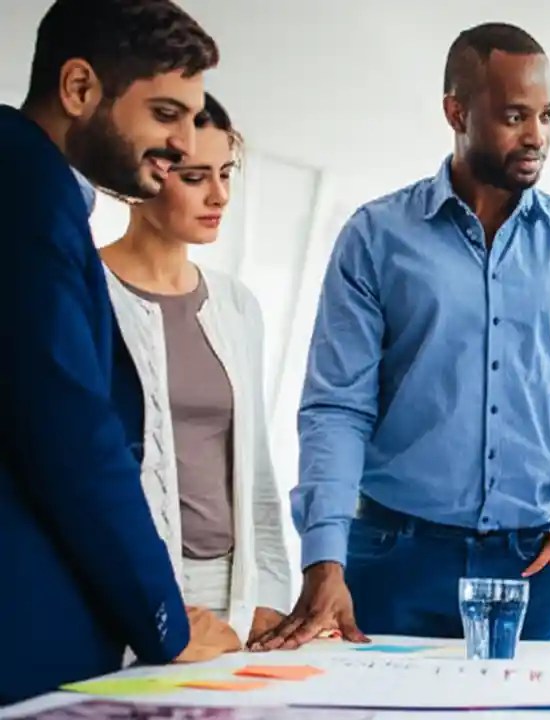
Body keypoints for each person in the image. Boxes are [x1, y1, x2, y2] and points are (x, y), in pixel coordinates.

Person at [252, 22, 550, 650]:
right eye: (515, 115)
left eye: (548, 115)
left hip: (530, 566)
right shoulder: (376, 237)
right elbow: (337, 408)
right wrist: (325, 556)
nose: (536, 135)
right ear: (456, 111)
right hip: (389, 560)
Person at [0, 0, 240, 704]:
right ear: (78, 90)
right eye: (165, 114)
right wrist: (164, 621)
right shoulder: (28, 196)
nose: (181, 144)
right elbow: (69, 432)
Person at [99, 93, 293, 646]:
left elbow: (255, 468)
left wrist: (269, 598)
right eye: (195, 177)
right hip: (135, 586)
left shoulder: (235, 303)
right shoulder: (89, 291)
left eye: (226, 173)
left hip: (234, 590)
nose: (220, 196)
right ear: (142, 178)